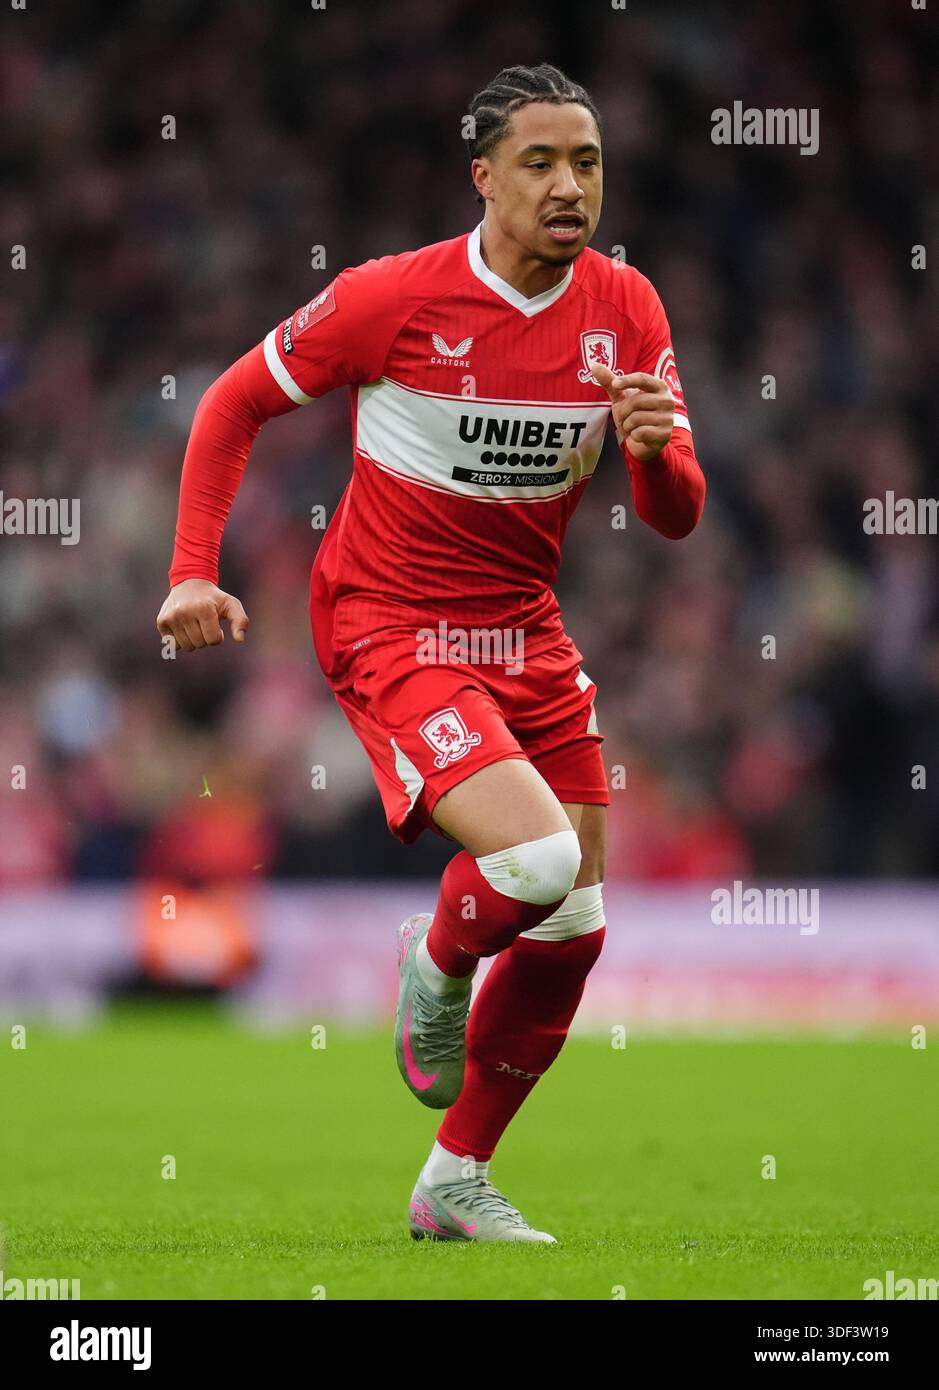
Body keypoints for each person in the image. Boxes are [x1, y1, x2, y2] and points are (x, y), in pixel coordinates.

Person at [158, 62, 705, 1243]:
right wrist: (192, 569)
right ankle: (438, 960)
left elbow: (675, 515)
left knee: (574, 925)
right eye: (541, 163)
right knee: (538, 863)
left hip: (526, 627)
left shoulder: (629, 311)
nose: (571, 187)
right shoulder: (390, 299)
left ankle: (453, 1180)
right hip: (391, 619)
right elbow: (231, 403)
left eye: (590, 163)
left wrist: (656, 453)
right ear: (483, 178)